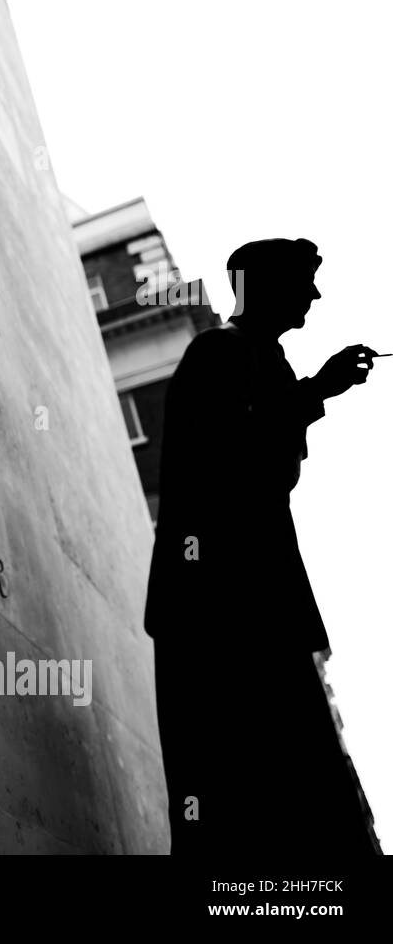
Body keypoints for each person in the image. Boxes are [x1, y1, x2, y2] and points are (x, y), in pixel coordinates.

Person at [144, 237, 378, 856]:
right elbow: (226, 455)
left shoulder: (257, 360)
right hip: (222, 604)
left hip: (254, 598)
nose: (315, 294)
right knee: (245, 788)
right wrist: (314, 392)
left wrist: (307, 394)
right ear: (266, 287)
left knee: (289, 786)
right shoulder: (218, 352)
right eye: (304, 281)